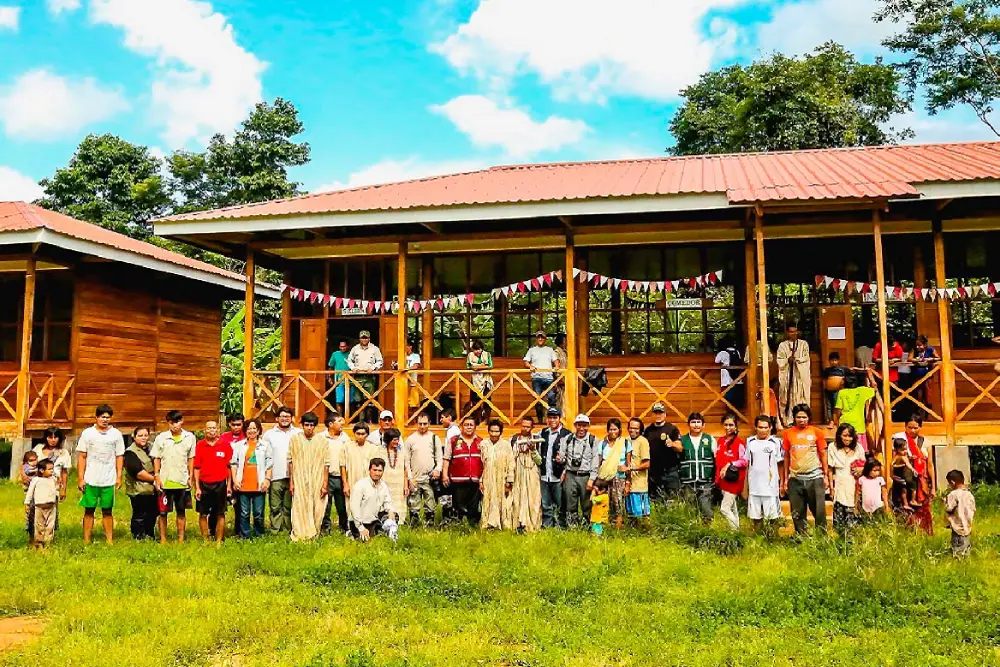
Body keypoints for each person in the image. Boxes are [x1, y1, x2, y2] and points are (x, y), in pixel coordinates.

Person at [76, 404, 125, 544]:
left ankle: (109, 540)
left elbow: (119, 456)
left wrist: (119, 476)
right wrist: (80, 478)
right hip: (91, 478)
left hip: (108, 479)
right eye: (102, 417)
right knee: (89, 510)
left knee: (107, 511)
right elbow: (82, 456)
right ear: (96, 417)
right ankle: (87, 539)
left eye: (108, 417)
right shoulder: (88, 433)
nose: (105, 420)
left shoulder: (116, 434)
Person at [780, 404, 830, 535]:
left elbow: (823, 454)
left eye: (804, 417)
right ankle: (801, 538)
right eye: (798, 417)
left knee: (819, 511)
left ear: (809, 418)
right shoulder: (788, 433)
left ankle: (822, 538)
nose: (801, 420)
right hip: (795, 478)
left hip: (815, 478)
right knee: (797, 513)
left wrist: (825, 475)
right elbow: (786, 456)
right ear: (794, 418)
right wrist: (785, 479)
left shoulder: (816, 432)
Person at [150, 410, 197, 544]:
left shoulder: (189, 437)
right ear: (168, 423)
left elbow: (191, 458)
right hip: (165, 480)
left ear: (182, 421)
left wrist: (191, 476)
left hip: (181, 480)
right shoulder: (161, 438)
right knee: (163, 512)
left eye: (177, 422)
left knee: (181, 512)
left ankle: (181, 539)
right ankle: (163, 539)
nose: (174, 426)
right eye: (171, 423)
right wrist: (157, 475)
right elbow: (156, 457)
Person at [287, 412, 330, 541]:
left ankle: (314, 531)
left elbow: (326, 464)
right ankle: (300, 532)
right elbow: (290, 461)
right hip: (299, 478)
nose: (309, 428)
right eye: (306, 425)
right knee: (300, 504)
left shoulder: (322, 441)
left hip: (317, 478)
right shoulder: (295, 440)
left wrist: (325, 484)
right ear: (302, 425)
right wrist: (291, 482)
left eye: (312, 425)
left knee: (318, 505)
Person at [891, 414, 936, 534]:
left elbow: (930, 465)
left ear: (920, 427)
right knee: (904, 511)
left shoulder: (926, 442)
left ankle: (923, 535)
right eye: (909, 427)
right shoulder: (899, 441)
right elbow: (892, 460)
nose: (912, 430)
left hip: (921, 481)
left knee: (922, 510)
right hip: (903, 481)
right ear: (905, 427)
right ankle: (905, 535)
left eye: (915, 428)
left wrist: (933, 487)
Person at [230, 419, 273, 539]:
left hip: (259, 484)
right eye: (249, 428)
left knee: (258, 513)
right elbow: (234, 463)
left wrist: (267, 479)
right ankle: (245, 536)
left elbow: (269, 464)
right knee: (244, 513)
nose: (252, 431)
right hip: (243, 484)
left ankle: (259, 535)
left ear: (258, 430)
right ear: (245, 430)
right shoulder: (239, 445)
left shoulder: (265, 445)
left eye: (254, 428)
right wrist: (235, 480)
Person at [193, 420, 233, 544]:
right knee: (203, 513)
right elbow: (196, 467)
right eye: (209, 428)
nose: (211, 431)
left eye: (214, 428)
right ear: (205, 430)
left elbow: (229, 467)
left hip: (220, 483)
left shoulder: (225, 445)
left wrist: (229, 486)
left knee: (220, 513)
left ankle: (219, 540)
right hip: (204, 483)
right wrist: (197, 487)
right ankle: (206, 539)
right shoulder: (200, 445)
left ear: (218, 430)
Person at [262, 406, 300, 533]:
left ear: (291, 418)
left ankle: (289, 528)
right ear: (277, 418)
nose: (285, 419)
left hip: (293, 476)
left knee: (289, 505)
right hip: (275, 475)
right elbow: (265, 455)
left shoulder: (298, 433)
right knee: (275, 506)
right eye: (282, 417)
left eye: (287, 417)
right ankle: (276, 529)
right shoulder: (269, 435)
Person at [443, 415, 485, 526]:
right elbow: (446, 458)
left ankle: (472, 525)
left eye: (471, 425)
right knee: (458, 505)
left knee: (474, 506)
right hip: (458, 479)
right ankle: (459, 525)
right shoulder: (454, 441)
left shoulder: (481, 442)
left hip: (475, 479)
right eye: (466, 425)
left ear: (475, 427)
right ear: (462, 426)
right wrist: (445, 475)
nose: (469, 427)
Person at [745, 415, 784, 535]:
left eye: (765, 427)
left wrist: (782, 483)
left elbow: (780, 464)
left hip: (770, 487)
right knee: (756, 517)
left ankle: (773, 538)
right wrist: (745, 486)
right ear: (755, 427)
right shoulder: (750, 441)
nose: (763, 430)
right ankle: (759, 538)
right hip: (754, 486)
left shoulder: (776, 442)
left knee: (773, 517)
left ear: (770, 428)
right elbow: (747, 464)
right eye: (760, 427)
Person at [561, 414, 600, 528]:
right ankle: (572, 526)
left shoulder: (593, 440)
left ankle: (587, 526)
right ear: (575, 425)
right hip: (570, 475)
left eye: (584, 425)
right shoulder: (567, 439)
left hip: (585, 475)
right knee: (570, 503)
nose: (581, 428)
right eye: (579, 425)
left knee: (586, 503)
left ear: (588, 426)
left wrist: (592, 479)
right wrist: (560, 460)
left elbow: (595, 461)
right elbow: (563, 458)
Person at [593, 418, 632, 530]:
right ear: (607, 430)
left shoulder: (625, 443)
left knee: (618, 505)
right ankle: (605, 529)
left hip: (619, 479)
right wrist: (596, 483)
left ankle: (618, 531)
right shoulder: (602, 444)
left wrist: (628, 483)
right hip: (604, 480)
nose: (612, 432)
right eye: (610, 429)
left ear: (619, 430)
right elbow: (599, 464)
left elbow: (628, 465)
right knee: (605, 504)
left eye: (615, 429)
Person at [678, 412, 717, 524]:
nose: (696, 425)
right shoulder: (682, 440)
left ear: (703, 425)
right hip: (687, 482)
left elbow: (716, 460)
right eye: (693, 422)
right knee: (689, 510)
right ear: (688, 424)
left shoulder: (710, 439)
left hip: (706, 481)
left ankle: (707, 530)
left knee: (706, 509)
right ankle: (691, 531)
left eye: (698, 422)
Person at [405, 413, 442, 526]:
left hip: (429, 478)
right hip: (415, 478)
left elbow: (439, 458)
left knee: (430, 504)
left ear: (429, 423)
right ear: (416, 424)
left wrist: (437, 470)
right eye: (420, 424)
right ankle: (414, 526)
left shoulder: (434, 438)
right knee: (414, 504)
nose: (422, 426)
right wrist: (410, 478)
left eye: (425, 424)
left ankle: (429, 526)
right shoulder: (410, 439)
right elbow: (406, 461)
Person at [344, 422, 382, 534]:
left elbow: (376, 467)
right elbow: (342, 466)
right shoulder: (347, 447)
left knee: (368, 505)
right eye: (358, 433)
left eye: (363, 434)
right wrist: (345, 483)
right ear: (354, 434)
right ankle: (352, 530)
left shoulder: (373, 448)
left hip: (368, 482)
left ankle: (368, 528)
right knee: (351, 505)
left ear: (367, 435)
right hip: (352, 480)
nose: (360, 436)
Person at [828, 424, 866, 535]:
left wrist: (860, 470)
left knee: (853, 517)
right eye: (845, 435)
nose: (847, 439)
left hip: (854, 483)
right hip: (839, 483)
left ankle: (853, 540)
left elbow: (865, 466)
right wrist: (831, 488)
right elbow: (830, 469)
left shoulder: (858, 447)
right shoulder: (832, 447)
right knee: (839, 517)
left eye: (850, 436)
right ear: (839, 435)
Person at [349, 458, 399, 542]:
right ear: (369, 470)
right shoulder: (360, 485)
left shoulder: (383, 486)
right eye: (374, 470)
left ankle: (387, 534)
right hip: (359, 522)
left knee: (394, 515)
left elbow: (388, 502)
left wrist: (390, 512)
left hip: (374, 520)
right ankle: (352, 533)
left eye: (380, 471)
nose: (377, 473)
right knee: (366, 542)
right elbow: (354, 508)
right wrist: (361, 528)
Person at [123, 426, 158, 540]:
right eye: (140, 435)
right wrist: (155, 479)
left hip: (152, 489)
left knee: (153, 513)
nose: (143, 438)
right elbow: (138, 473)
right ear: (134, 437)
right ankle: (138, 536)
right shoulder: (130, 452)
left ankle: (150, 534)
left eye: (146, 435)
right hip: (138, 489)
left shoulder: (152, 448)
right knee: (140, 514)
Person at [644, 403, 683, 501]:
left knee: (673, 501)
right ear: (652, 415)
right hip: (654, 473)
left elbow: (680, 448)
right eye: (655, 413)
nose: (658, 415)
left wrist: (672, 444)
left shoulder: (672, 429)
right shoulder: (647, 431)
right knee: (656, 501)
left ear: (665, 414)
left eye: (660, 413)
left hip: (670, 472)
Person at [714, 414, 747, 532]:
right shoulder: (721, 441)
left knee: (724, 509)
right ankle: (735, 534)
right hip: (723, 479)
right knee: (733, 509)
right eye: (726, 425)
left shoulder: (739, 443)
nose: (728, 427)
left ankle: (736, 530)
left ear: (736, 426)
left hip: (733, 480)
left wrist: (730, 464)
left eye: (731, 425)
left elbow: (744, 461)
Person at [537, 409, 569, 528]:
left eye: (555, 417)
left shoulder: (567, 434)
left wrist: (565, 471)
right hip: (545, 474)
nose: (552, 420)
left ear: (559, 418)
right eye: (550, 417)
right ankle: (547, 525)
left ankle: (561, 526)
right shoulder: (542, 433)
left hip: (559, 475)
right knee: (546, 504)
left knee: (560, 503)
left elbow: (570, 455)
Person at [480, 419, 514, 530]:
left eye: (497, 431)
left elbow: (511, 463)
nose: (494, 434)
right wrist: (481, 480)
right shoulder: (483, 444)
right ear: (488, 431)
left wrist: (509, 480)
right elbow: (481, 464)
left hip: (501, 478)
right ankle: (488, 524)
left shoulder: (506, 445)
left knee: (503, 500)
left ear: (501, 432)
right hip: (488, 477)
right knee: (488, 499)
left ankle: (503, 524)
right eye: (492, 431)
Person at [776, 324, 811, 427]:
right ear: (787, 333)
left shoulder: (803, 344)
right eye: (791, 332)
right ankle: (789, 420)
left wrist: (797, 360)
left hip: (800, 376)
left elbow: (806, 358)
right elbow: (780, 360)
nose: (793, 334)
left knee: (801, 397)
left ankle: (803, 419)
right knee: (788, 397)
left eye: (795, 331)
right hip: (788, 377)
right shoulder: (782, 346)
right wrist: (787, 360)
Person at [321, 412, 351, 535]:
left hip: (341, 476)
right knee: (325, 505)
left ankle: (344, 527)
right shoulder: (321, 438)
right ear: (330, 424)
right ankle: (325, 529)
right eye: (339, 421)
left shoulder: (345, 438)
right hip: (326, 477)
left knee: (342, 504)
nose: (342, 423)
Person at [510, 424, 543, 533]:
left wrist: (533, 450)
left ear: (532, 427)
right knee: (517, 499)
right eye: (523, 426)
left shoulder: (537, 439)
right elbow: (511, 459)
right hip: (518, 473)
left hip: (532, 472)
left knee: (533, 499)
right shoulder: (514, 439)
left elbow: (540, 461)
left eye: (528, 427)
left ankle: (532, 525)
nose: (525, 428)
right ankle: (517, 525)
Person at [523, 330, 561, 423]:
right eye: (538, 337)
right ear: (536, 339)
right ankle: (540, 420)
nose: (540, 339)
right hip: (536, 378)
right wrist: (530, 366)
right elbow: (526, 362)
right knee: (538, 399)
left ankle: (552, 419)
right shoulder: (532, 350)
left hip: (549, 377)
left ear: (545, 339)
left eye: (542, 337)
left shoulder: (550, 350)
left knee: (551, 398)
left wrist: (556, 366)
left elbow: (555, 360)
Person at [832, 374, 876, 452]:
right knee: (859, 451)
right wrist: (872, 380)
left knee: (844, 450)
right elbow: (875, 389)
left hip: (845, 424)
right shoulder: (862, 391)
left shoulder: (842, 392)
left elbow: (838, 409)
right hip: (859, 425)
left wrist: (836, 421)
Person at [348, 330, 384, 423]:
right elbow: (349, 360)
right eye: (362, 338)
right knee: (358, 400)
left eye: (366, 338)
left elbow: (380, 361)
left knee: (369, 399)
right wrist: (353, 368)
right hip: (357, 377)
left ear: (369, 338)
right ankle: (360, 420)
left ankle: (369, 420)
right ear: (359, 339)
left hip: (369, 377)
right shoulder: (355, 349)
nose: (364, 340)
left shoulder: (374, 349)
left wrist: (373, 368)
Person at [25, 459, 58, 548]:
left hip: (51, 506)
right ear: (41, 470)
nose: (52, 471)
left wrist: (59, 494)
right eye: (49, 469)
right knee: (39, 526)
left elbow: (55, 490)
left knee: (50, 526)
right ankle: (39, 543)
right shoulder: (36, 480)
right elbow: (30, 492)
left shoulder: (53, 479)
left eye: (52, 469)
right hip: (39, 507)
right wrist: (27, 503)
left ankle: (48, 542)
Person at [625, 418, 652, 527]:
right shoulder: (626, 440)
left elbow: (647, 464)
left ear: (640, 429)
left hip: (639, 485)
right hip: (628, 484)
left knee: (642, 514)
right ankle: (633, 533)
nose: (633, 430)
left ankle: (647, 533)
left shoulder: (643, 441)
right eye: (631, 428)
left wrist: (632, 468)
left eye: (636, 428)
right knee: (630, 514)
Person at [33, 427, 71, 504]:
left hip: (54, 486)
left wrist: (63, 489)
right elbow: (27, 462)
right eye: (50, 437)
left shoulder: (64, 453)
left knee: (51, 508)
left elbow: (64, 472)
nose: (53, 440)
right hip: (38, 485)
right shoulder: (38, 449)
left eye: (55, 437)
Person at [873, 333, 905, 420]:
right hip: (881, 375)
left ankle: (894, 415)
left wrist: (894, 360)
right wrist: (885, 360)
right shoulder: (879, 345)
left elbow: (900, 357)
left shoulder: (897, 346)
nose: (893, 346)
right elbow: (874, 359)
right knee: (881, 396)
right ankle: (882, 416)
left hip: (893, 376)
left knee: (894, 396)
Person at [944, 469, 975, 557]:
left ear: (952, 482)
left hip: (957, 526)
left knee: (957, 549)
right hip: (967, 525)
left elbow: (949, 508)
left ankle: (958, 559)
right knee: (965, 547)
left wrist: (945, 502)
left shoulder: (952, 494)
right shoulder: (969, 494)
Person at [380, 428, 408, 525]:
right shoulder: (380, 452)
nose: (397, 442)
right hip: (385, 483)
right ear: (388, 440)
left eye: (398, 439)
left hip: (399, 485)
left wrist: (406, 485)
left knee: (399, 503)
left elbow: (405, 470)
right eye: (394, 440)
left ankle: (399, 522)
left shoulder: (402, 453)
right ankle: (386, 522)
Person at [467, 340, 494, 424]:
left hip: (486, 379)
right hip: (475, 380)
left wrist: (477, 367)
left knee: (487, 400)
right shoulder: (470, 355)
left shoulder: (487, 354)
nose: (477, 351)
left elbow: (490, 365)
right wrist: (482, 366)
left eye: (479, 349)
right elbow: (468, 366)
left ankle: (487, 420)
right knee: (475, 401)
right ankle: (477, 420)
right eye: (475, 350)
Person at [910, 335, 939, 412]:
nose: (917, 347)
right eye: (916, 345)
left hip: (928, 376)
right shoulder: (914, 350)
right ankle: (919, 413)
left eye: (919, 345)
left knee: (928, 396)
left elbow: (938, 358)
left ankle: (928, 413)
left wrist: (931, 359)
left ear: (925, 344)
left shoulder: (930, 349)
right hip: (917, 375)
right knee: (918, 395)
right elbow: (909, 358)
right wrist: (917, 360)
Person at [715, 336, 745, 409]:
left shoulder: (722, 353)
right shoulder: (737, 352)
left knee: (728, 397)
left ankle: (729, 411)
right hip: (737, 378)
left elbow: (716, 361)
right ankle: (737, 411)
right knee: (736, 397)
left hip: (727, 378)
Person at [890, 438, 918, 511]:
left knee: (903, 490)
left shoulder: (897, 456)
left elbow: (892, 463)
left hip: (897, 476)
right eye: (902, 450)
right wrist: (913, 470)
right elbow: (907, 463)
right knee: (908, 488)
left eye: (906, 449)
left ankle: (905, 504)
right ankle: (911, 501)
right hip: (900, 476)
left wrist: (910, 458)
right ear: (896, 449)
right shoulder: (902, 457)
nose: (905, 451)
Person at [328, 338, 353, 416]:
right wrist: (329, 377)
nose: (343, 348)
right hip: (339, 381)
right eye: (341, 346)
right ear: (339, 347)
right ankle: (340, 418)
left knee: (350, 401)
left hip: (351, 381)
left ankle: (349, 419)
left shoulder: (351, 354)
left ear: (347, 346)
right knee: (339, 401)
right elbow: (330, 366)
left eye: (344, 346)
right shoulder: (335, 354)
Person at [822, 352, 847, 426]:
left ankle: (838, 421)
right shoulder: (827, 370)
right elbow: (824, 380)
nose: (833, 362)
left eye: (835, 360)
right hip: (828, 391)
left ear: (838, 361)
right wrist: (825, 387)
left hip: (838, 391)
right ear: (829, 361)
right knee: (829, 407)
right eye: (832, 360)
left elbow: (845, 378)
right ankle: (831, 421)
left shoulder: (842, 369)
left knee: (837, 406)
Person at [21, 451, 37, 546]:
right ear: (26, 461)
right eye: (31, 460)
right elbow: (28, 472)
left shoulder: (36, 467)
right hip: (29, 494)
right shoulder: (27, 467)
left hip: (37, 494)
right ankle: (31, 538)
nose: (34, 462)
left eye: (35, 460)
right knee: (30, 516)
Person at [553, 333, 569, 414]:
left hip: (567, 379)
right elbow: (555, 366)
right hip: (560, 379)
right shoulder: (556, 352)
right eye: (565, 340)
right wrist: (558, 378)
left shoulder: (565, 352)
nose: (566, 342)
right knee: (560, 400)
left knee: (566, 400)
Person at [405, 341, 422, 412]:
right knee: (403, 403)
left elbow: (415, 366)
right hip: (403, 382)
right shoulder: (402, 356)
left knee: (413, 404)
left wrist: (406, 369)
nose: (404, 348)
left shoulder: (415, 356)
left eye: (406, 346)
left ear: (410, 347)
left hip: (412, 382)